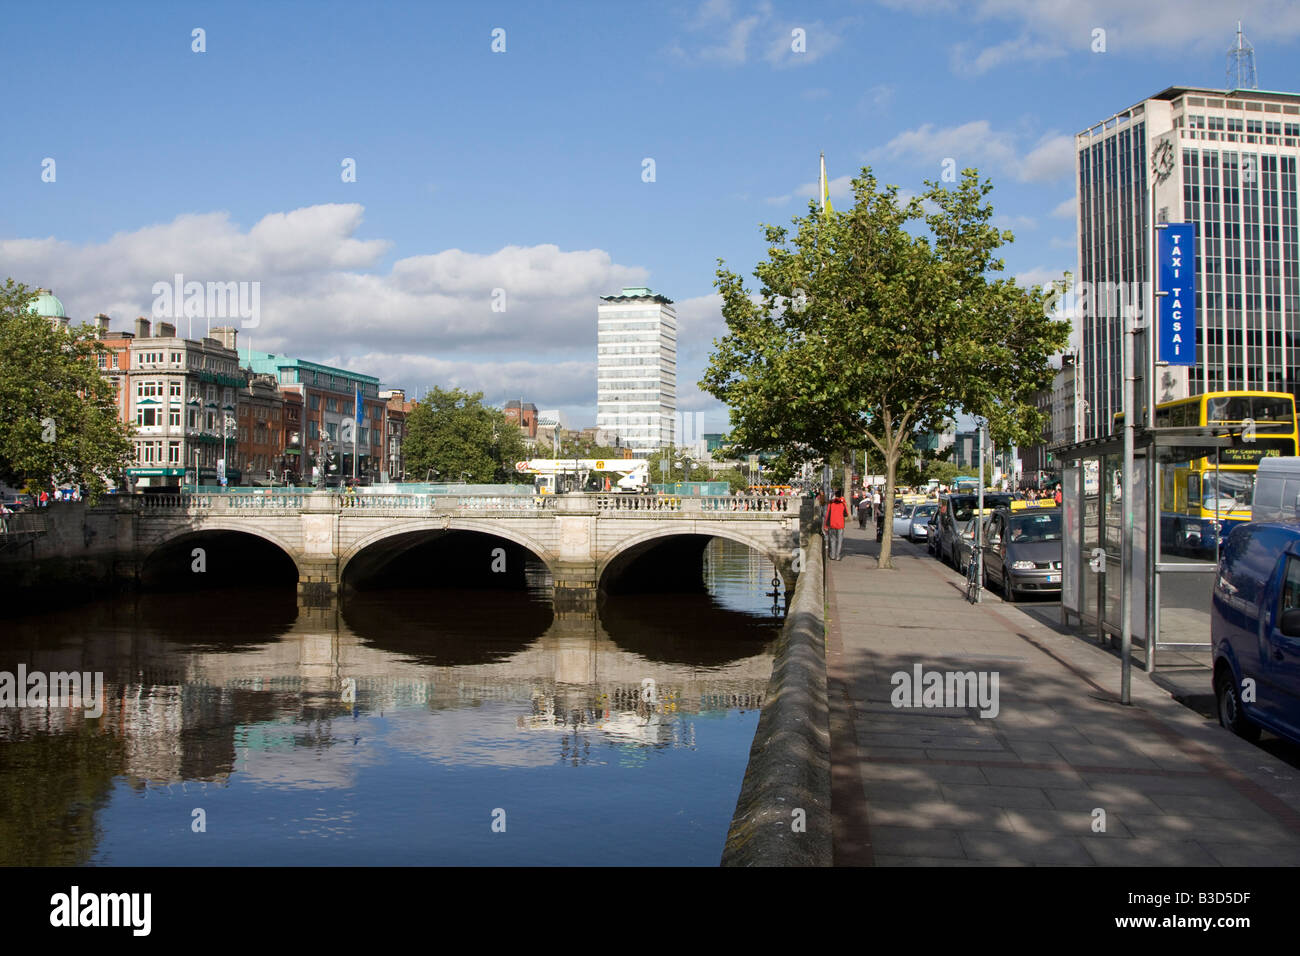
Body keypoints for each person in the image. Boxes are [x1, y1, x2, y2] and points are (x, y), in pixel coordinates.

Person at [824, 488, 848, 560]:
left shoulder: (831, 503)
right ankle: (838, 556)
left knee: (832, 540)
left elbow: (828, 514)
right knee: (840, 540)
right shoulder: (843, 503)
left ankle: (832, 555)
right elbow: (846, 513)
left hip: (832, 523)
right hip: (840, 524)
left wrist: (825, 525)